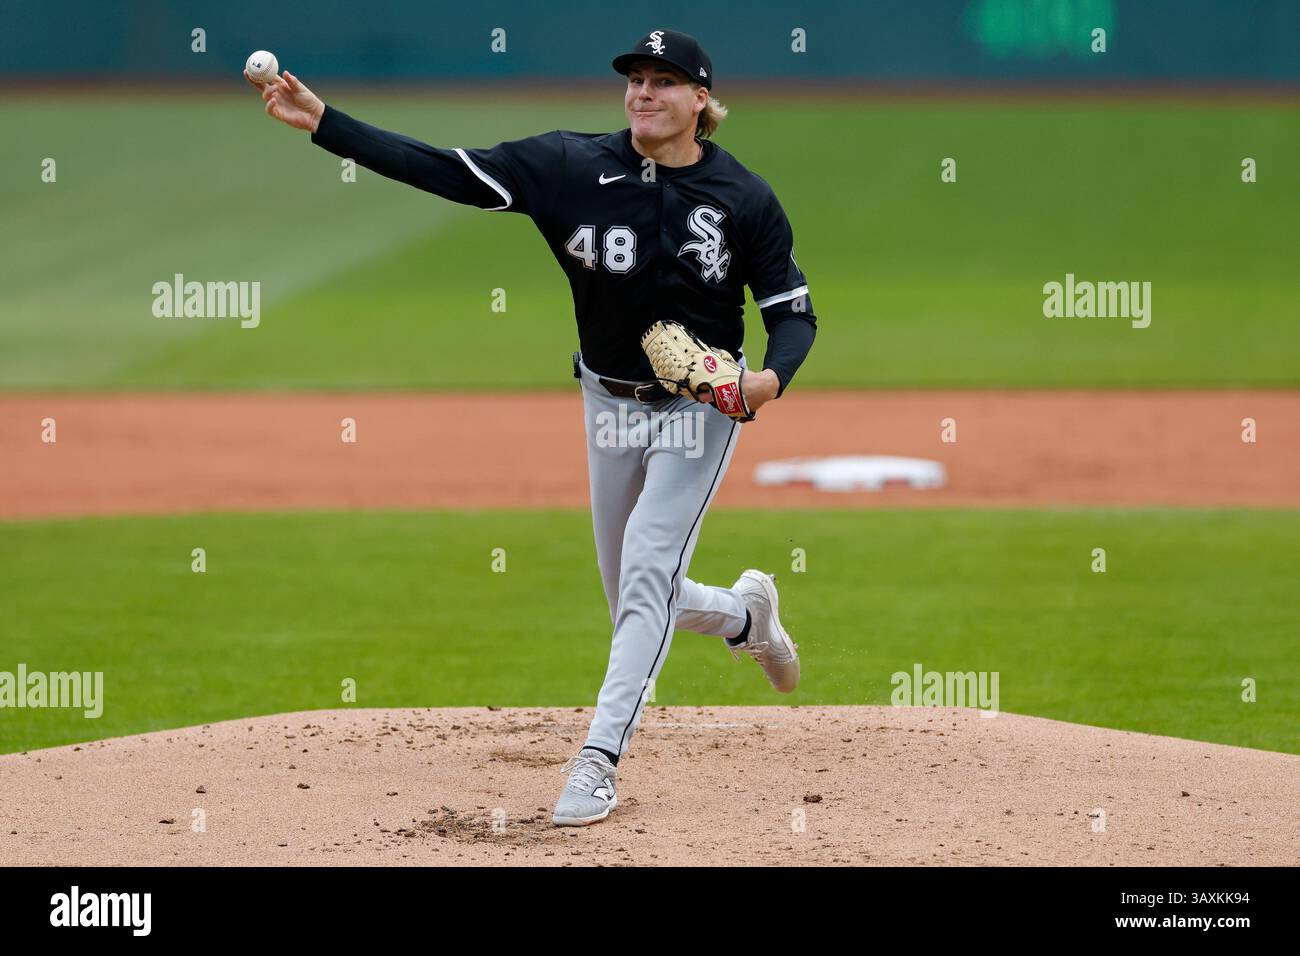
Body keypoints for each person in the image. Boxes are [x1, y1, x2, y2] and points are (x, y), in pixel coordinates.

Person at [248, 28, 817, 826]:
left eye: (664, 82)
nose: (643, 93)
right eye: (635, 80)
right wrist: (325, 123)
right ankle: (743, 615)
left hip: (698, 412)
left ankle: (598, 761)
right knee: (632, 594)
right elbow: (446, 171)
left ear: (701, 102)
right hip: (607, 404)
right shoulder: (567, 165)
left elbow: (793, 313)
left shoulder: (744, 198)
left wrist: (765, 382)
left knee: (646, 579)